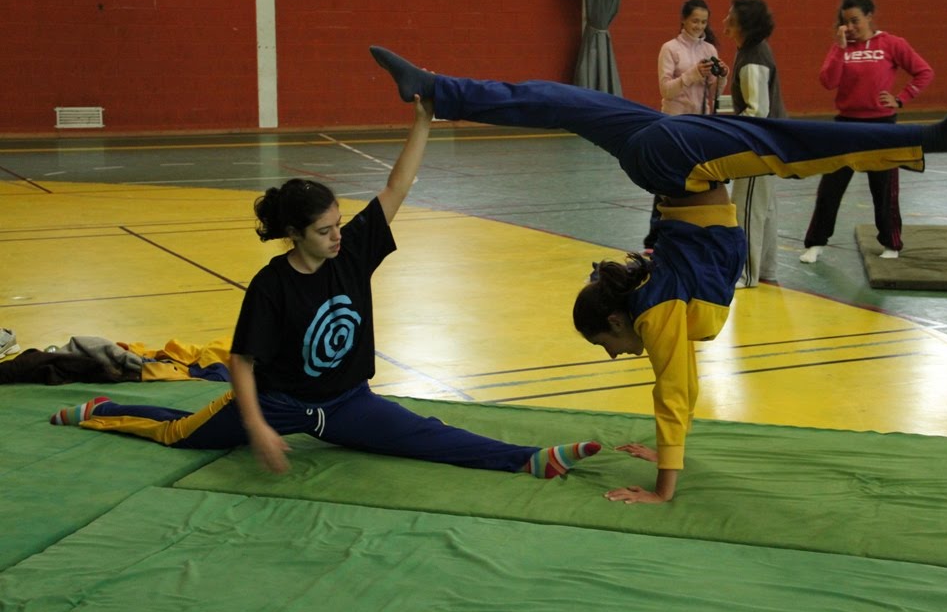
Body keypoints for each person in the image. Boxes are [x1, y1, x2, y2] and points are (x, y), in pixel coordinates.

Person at [368, 45, 947, 505]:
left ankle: (934, 135)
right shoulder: (660, 300)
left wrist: (662, 487)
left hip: (673, 165)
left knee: (788, 147)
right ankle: (435, 86)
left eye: (607, 344)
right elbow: (678, 385)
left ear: (617, 319)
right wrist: (660, 452)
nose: (619, 354)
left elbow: (671, 391)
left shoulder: (654, 314)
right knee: (564, 103)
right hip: (672, 166)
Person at [49, 96, 602, 481]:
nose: (339, 235)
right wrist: (259, 427)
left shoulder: (351, 252)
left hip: (346, 403)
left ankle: (529, 458)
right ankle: (100, 407)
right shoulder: (271, 288)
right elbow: (241, 364)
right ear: (294, 234)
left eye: (339, 223)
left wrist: (424, 120)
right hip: (279, 402)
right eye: (324, 230)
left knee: (426, 436)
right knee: (179, 433)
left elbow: (396, 185)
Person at [800, 0, 935, 263]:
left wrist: (901, 99)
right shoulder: (841, 47)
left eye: (855, 21)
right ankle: (815, 243)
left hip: (882, 127)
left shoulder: (892, 44)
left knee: (884, 189)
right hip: (845, 127)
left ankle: (891, 242)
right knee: (830, 188)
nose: (850, 27)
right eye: (845, 22)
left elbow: (924, 72)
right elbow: (828, 82)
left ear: (869, 17)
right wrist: (839, 49)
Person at [645, 0, 729, 251]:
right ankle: (653, 238)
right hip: (673, 123)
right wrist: (692, 74)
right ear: (683, 19)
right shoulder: (669, 49)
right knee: (666, 182)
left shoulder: (710, 50)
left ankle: (692, 233)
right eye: (695, 21)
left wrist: (721, 76)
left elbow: (716, 90)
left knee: (698, 181)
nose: (699, 26)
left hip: (701, 124)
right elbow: (666, 90)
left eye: (703, 22)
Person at [724, 0, 784, 288]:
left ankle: (746, 274)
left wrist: (730, 135)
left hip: (758, 147)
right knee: (765, 209)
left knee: (747, 209)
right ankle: (767, 269)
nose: (725, 23)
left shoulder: (753, 59)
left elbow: (756, 111)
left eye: (731, 19)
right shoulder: (753, 51)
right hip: (772, 144)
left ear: (744, 26)